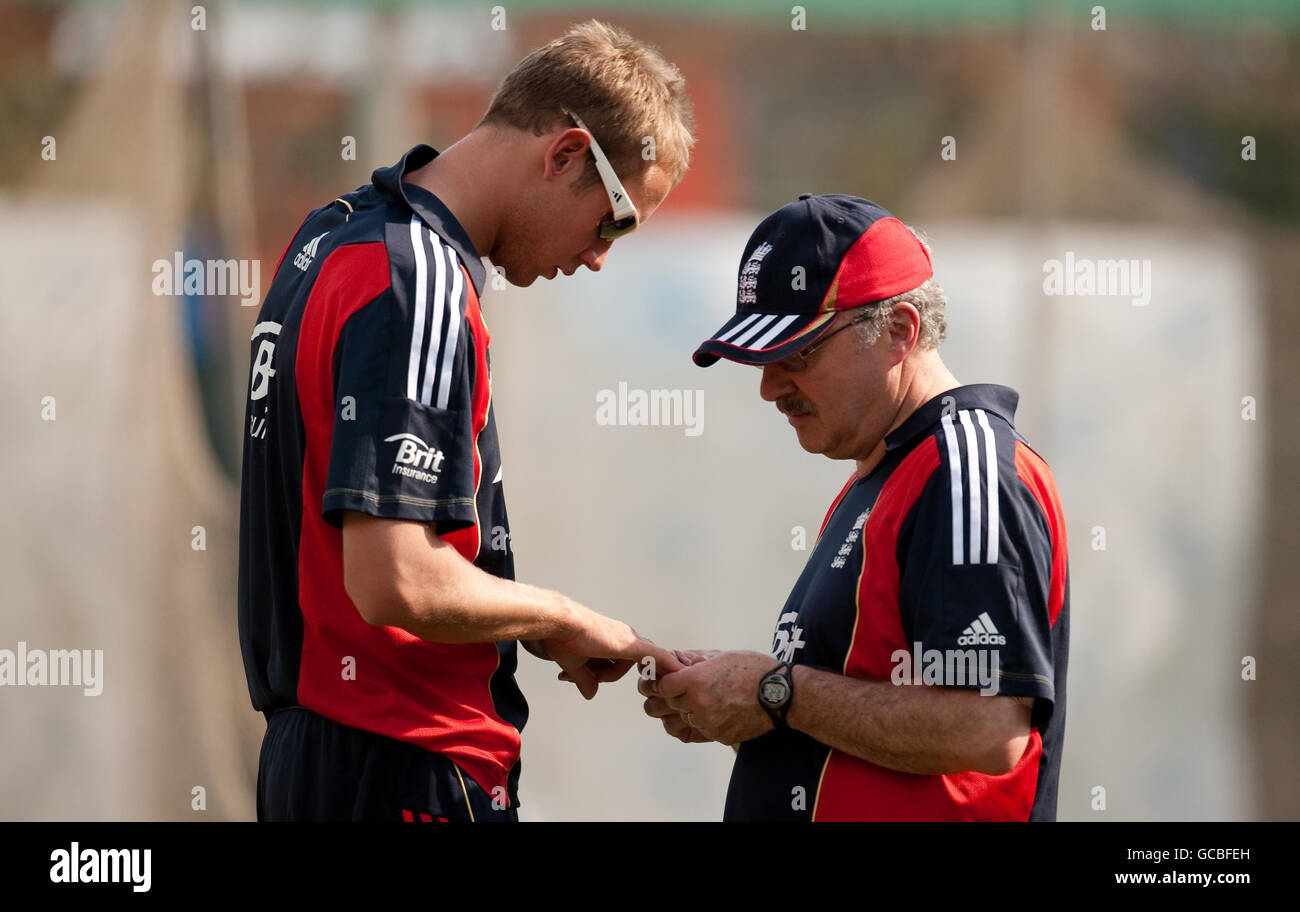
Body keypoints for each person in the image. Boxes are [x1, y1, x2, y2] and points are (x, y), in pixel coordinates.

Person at [238, 20, 695, 822]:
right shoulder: (422, 283)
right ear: (564, 154)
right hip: (400, 756)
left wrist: (532, 630)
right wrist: (565, 614)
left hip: (324, 753)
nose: (598, 258)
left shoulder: (334, 234)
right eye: (613, 221)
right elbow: (396, 579)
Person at [641, 194, 1070, 821]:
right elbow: (854, 715)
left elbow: (985, 725)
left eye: (798, 353)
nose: (769, 387)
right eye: (760, 358)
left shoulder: (960, 467)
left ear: (899, 330)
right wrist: (736, 692)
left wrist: (773, 690)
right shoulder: (888, 471)